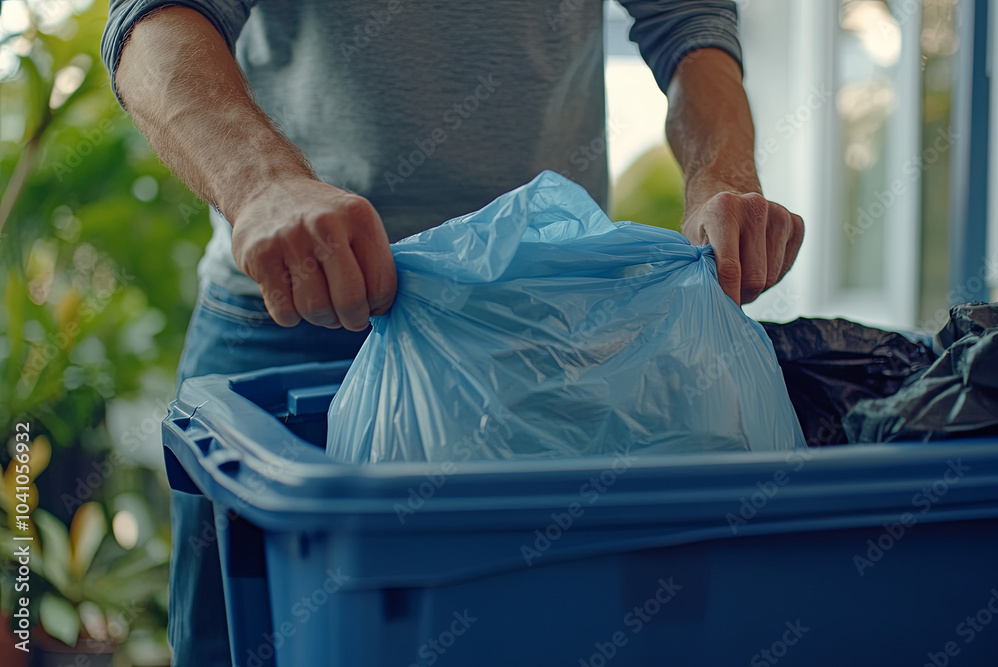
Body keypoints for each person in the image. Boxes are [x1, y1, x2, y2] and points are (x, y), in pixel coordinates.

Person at [102, 1, 804, 664]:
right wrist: (262, 184)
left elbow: (689, 22)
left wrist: (723, 174)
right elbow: (155, 20)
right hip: (298, 303)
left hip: (544, 335)